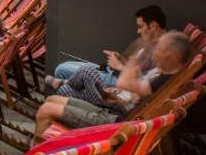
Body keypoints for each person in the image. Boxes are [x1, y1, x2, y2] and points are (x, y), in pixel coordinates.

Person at [32, 30, 193, 139]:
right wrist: (118, 99)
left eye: (159, 49)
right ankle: (49, 146)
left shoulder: (163, 81)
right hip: (118, 112)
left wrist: (136, 56)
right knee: (51, 99)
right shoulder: (168, 77)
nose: (155, 53)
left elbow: (124, 82)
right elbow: (136, 100)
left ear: (170, 55)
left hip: (117, 123)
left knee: (45, 110)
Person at [48, 4, 166, 90]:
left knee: (61, 69)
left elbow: (146, 83)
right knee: (66, 65)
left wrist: (119, 66)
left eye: (140, 26)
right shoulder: (151, 44)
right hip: (115, 74)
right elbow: (139, 71)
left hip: (119, 82)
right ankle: (66, 85)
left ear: (153, 25)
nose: (138, 31)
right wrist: (121, 60)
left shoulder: (164, 50)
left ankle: (65, 86)